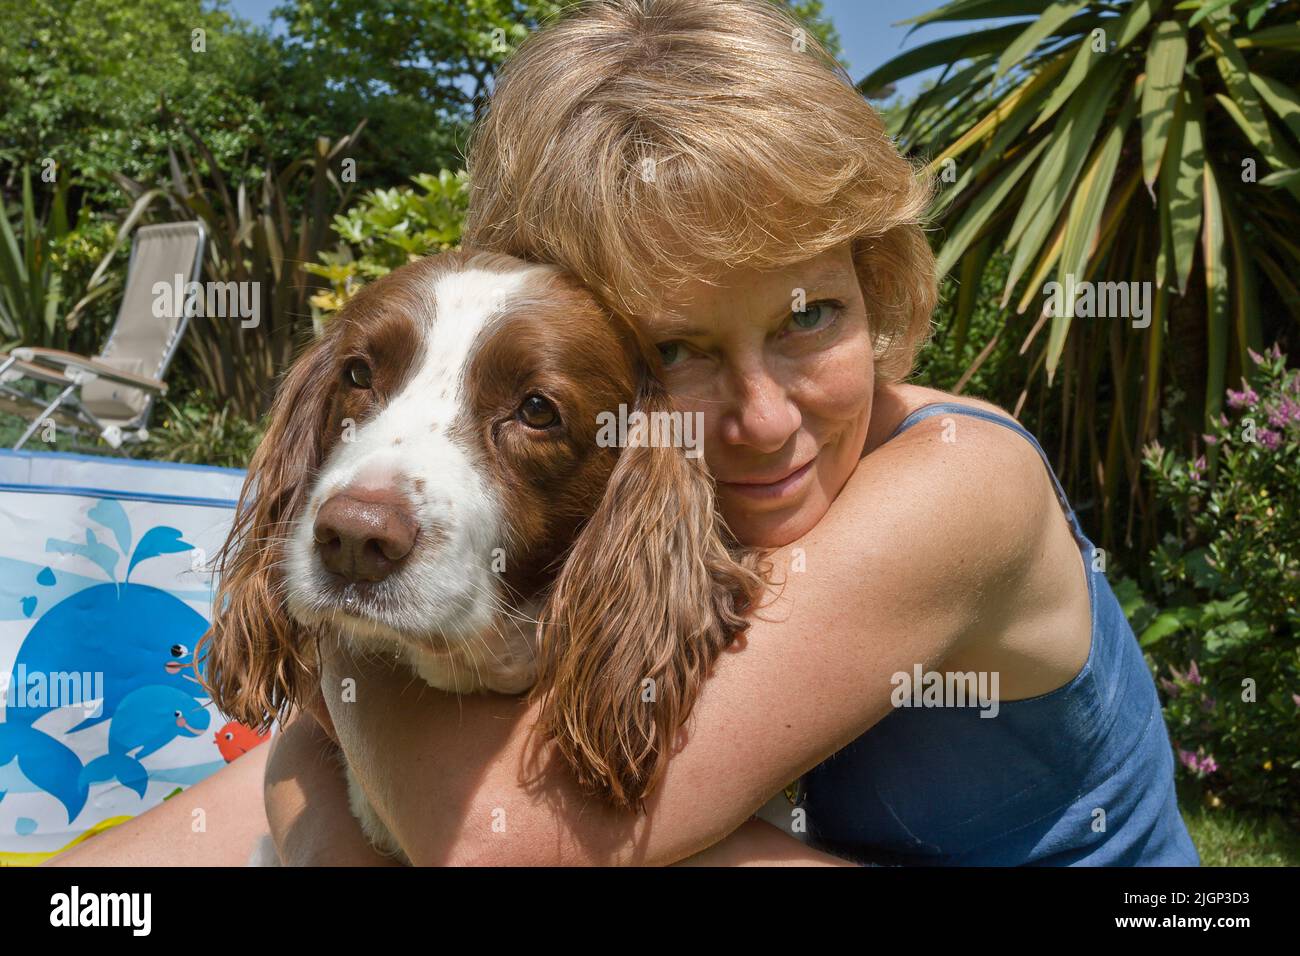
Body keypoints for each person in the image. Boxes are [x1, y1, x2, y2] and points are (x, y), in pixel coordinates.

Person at [51, 0, 1198, 867]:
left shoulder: (957, 487)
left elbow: (499, 840)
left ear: (877, 278)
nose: (761, 419)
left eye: (812, 314)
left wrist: (352, 627)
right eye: (677, 349)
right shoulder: (582, 520)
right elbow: (290, 779)